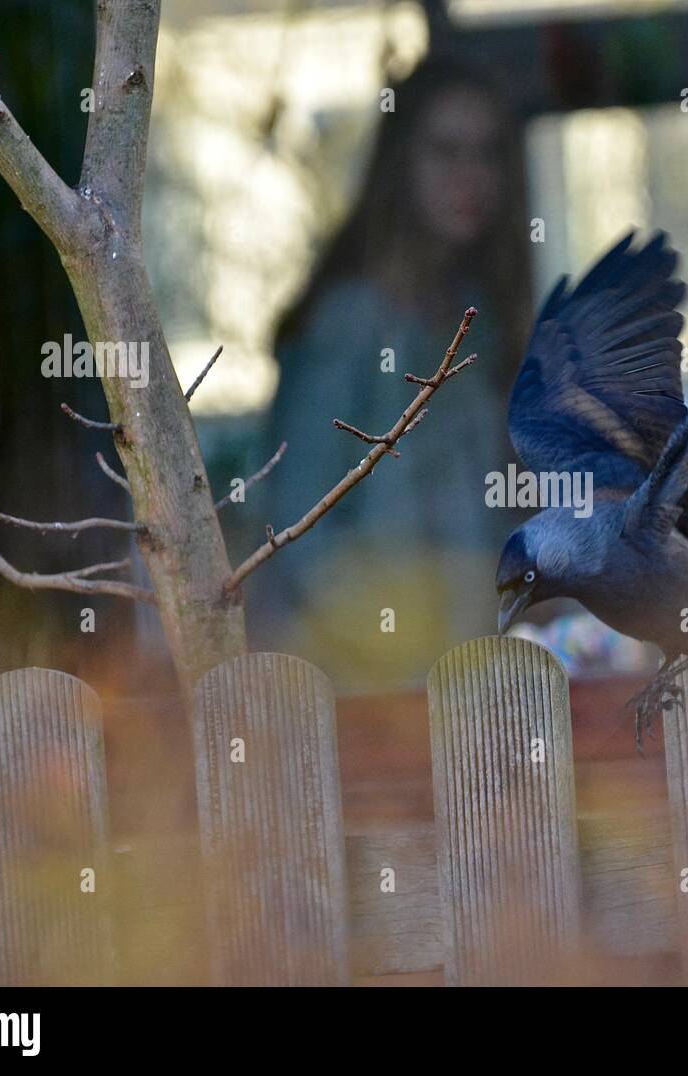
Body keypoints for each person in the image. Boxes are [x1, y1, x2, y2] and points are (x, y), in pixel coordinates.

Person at [254, 58, 532, 688]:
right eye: (446, 150)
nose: (470, 175)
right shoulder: (346, 323)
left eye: (487, 154)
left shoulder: (484, 319)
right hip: (359, 694)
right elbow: (296, 539)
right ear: (400, 163)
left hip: (476, 690)